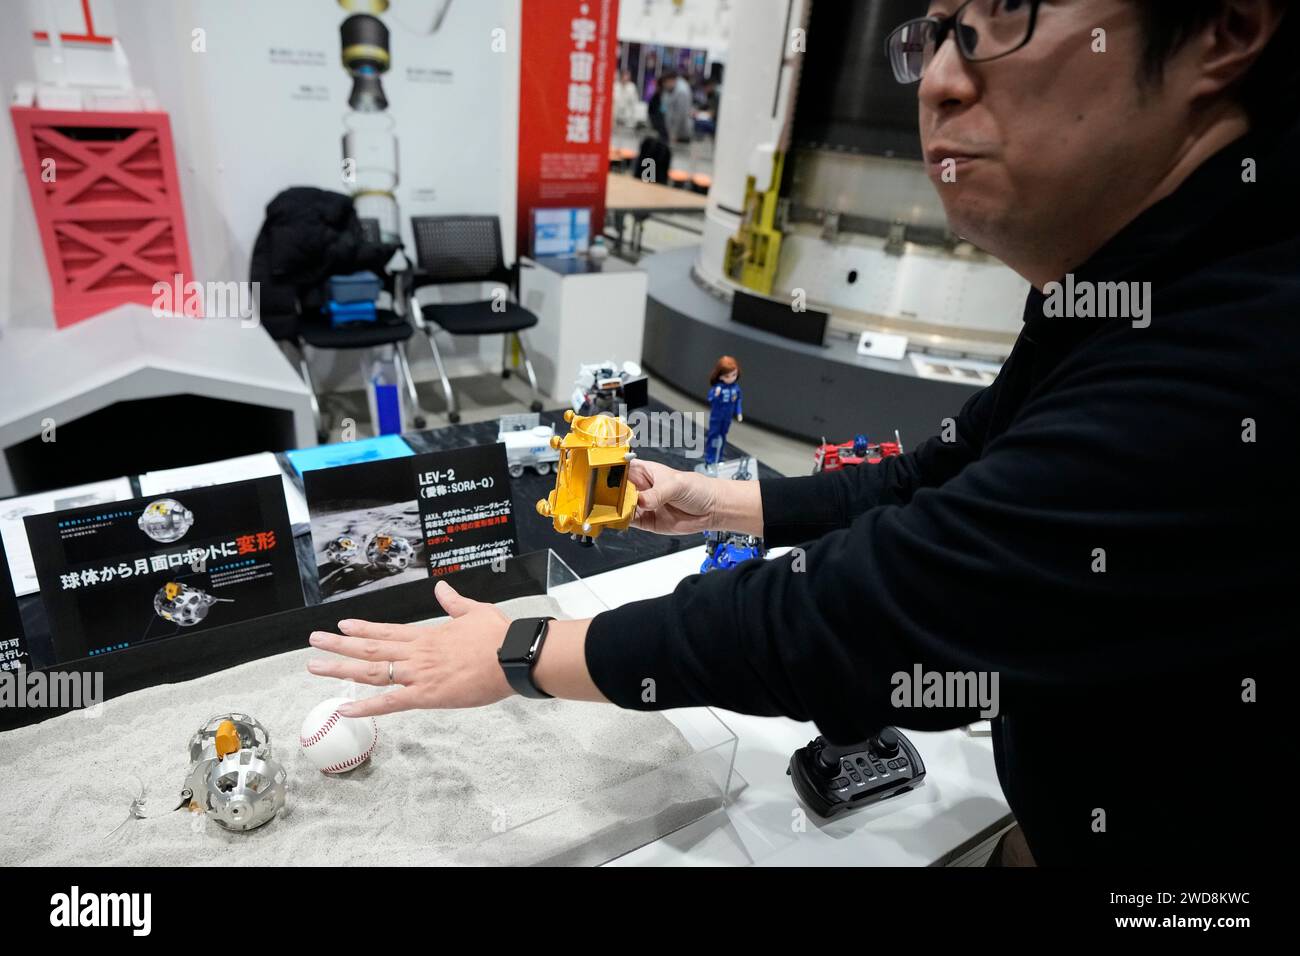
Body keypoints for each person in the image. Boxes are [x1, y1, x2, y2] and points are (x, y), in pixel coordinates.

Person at [307, 0, 1296, 866]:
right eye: (935, 33)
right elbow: (940, 476)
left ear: (1227, 27)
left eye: (1008, 9)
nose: (942, 80)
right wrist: (721, 499)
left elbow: (866, 608)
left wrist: (522, 650)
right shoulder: (1116, 295)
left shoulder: (1237, 347)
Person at [704, 355, 743, 466]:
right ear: (720, 376)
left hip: (727, 417)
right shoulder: (718, 388)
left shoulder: (736, 389)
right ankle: (710, 458)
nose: (731, 378)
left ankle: (719, 458)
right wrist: (716, 395)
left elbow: (738, 400)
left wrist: (739, 412)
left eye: (734, 375)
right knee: (713, 436)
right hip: (717, 417)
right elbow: (710, 399)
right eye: (727, 376)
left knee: (723, 436)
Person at [647, 70, 676, 141]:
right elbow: (662, 110)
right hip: (659, 122)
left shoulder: (661, 94)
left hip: (658, 122)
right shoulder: (662, 95)